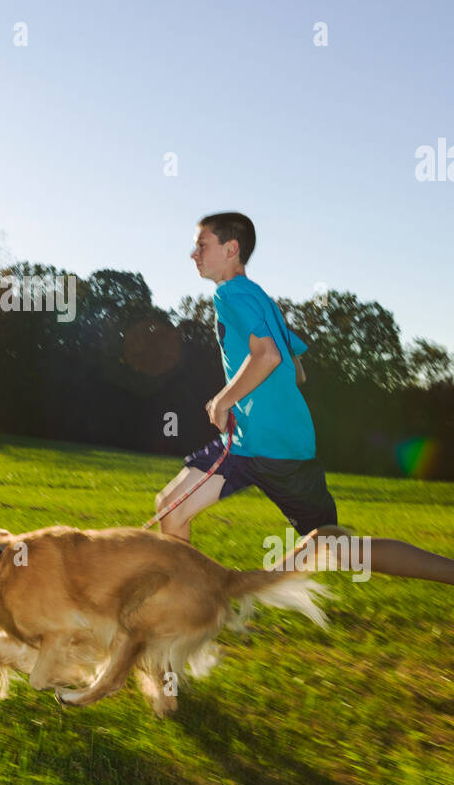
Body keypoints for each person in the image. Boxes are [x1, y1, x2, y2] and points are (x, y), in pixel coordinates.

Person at [154, 211, 454, 586]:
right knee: (173, 507)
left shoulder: (230, 293)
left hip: (265, 445)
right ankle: (188, 606)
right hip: (271, 443)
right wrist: (252, 402)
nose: (194, 254)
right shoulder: (262, 300)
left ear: (231, 249)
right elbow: (296, 370)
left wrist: (223, 401)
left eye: (202, 245)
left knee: (331, 546)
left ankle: (191, 607)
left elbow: (269, 356)